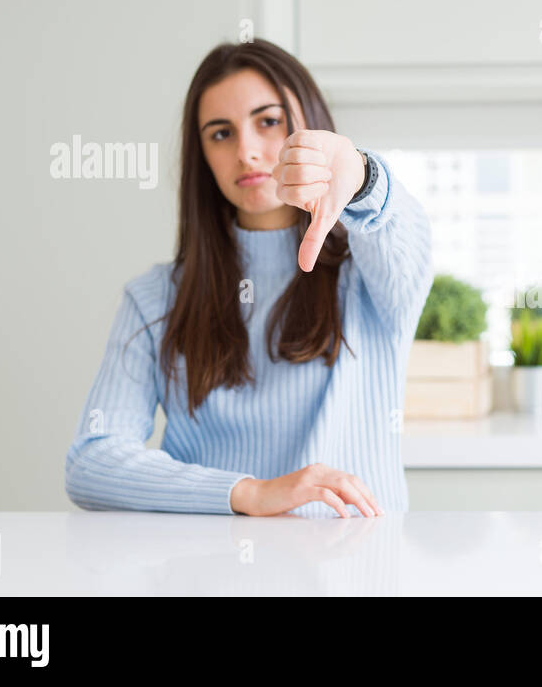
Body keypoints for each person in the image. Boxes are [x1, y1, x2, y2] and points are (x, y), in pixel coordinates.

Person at [64, 39, 433, 517]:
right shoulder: (155, 298)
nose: (248, 151)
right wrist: (249, 493)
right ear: (202, 155)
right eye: (221, 134)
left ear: (309, 126)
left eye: (269, 121)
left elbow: (402, 234)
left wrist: (362, 176)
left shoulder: (367, 274)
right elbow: (92, 462)